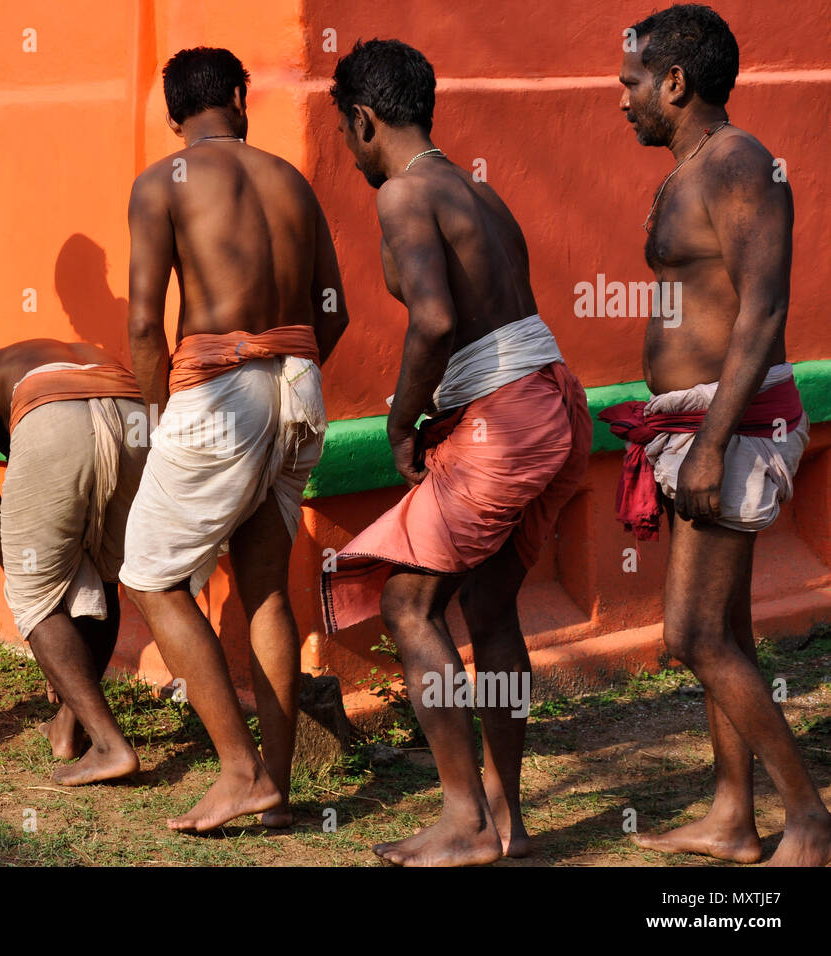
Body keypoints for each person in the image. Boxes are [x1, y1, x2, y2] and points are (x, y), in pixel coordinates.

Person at [321, 39, 591, 866]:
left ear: (363, 119)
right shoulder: (477, 189)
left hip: (505, 421)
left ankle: (465, 822)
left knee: (409, 606)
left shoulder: (403, 194)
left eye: (345, 131)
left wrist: (402, 423)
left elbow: (435, 320)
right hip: (554, 402)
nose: (348, 148)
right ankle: (505, 821)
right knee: (491, 606)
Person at [604, 3, 830, 866]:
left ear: (674, 81)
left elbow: (765, 306)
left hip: (727, 428)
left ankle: (807, 818)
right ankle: (734, 815)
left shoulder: (740, 163)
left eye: (630, 82)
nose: (620, 99)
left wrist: (709, 441)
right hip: (697, 424)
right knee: (725, 636)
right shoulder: (694, 165)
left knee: (691, 637)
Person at [120, 47, 349, 832]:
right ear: (241, 99)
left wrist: (159, 423)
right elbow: (336, 313)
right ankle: (274, 787)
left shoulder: (162, 183)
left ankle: (242, 772)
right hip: (299, 386)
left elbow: (146, 323)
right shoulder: (291, 179)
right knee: (266, 591)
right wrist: (291, 379)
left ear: (175, 116)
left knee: (150, 578)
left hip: (220, 390)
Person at [0, 339, 148, 784]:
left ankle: (109, 744)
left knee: (33, 597)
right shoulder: (41, 352)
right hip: (135, 414)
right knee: (106, 576)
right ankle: (69, 727)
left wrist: (19, 571)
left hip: (55, 415)